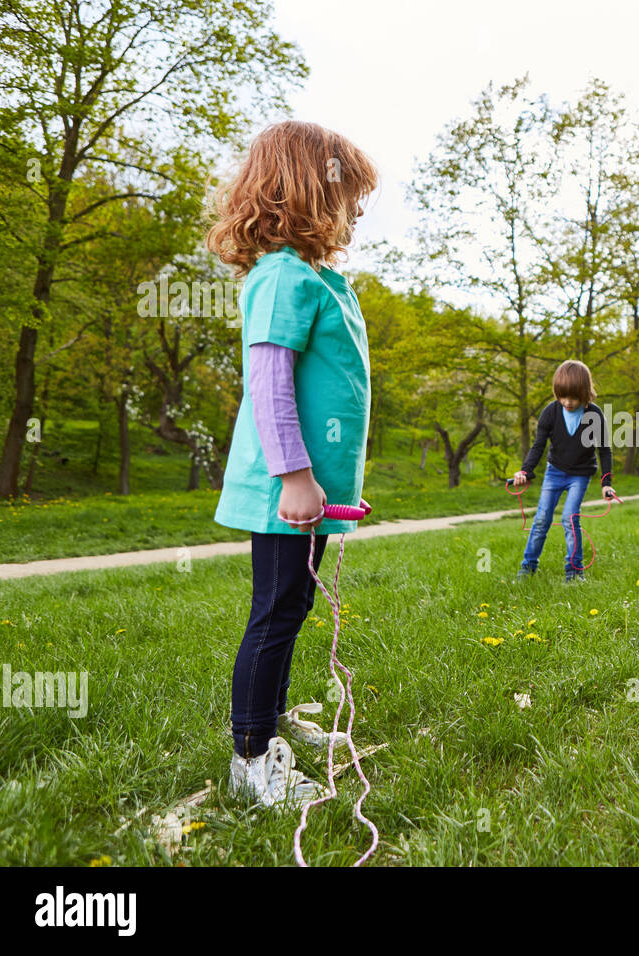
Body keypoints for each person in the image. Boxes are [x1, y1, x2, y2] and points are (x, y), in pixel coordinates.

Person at [208, 120, 378, 808]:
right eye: (350, 196)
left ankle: (271, 720)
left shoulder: (313, 275)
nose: (357, 211)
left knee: (293, 603)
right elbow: (269, 384)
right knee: (275, 612)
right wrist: (296, 477)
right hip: (284, 488)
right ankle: (251, 758)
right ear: (310, 190)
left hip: (306, 490)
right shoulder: (281, 277)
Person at [511, 360, 618, 582]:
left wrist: (606, 482)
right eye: (562, 396)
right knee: (541, 519)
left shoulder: (595, 416)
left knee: (570, 519)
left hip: (580, 475)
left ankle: (574, 571)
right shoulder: (550, 413)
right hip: (554, 472)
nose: (567, 402)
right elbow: (538, 446)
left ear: (585, 393)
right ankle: (527, 567)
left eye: (573, 398)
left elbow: (605, 450)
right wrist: (525, 471)